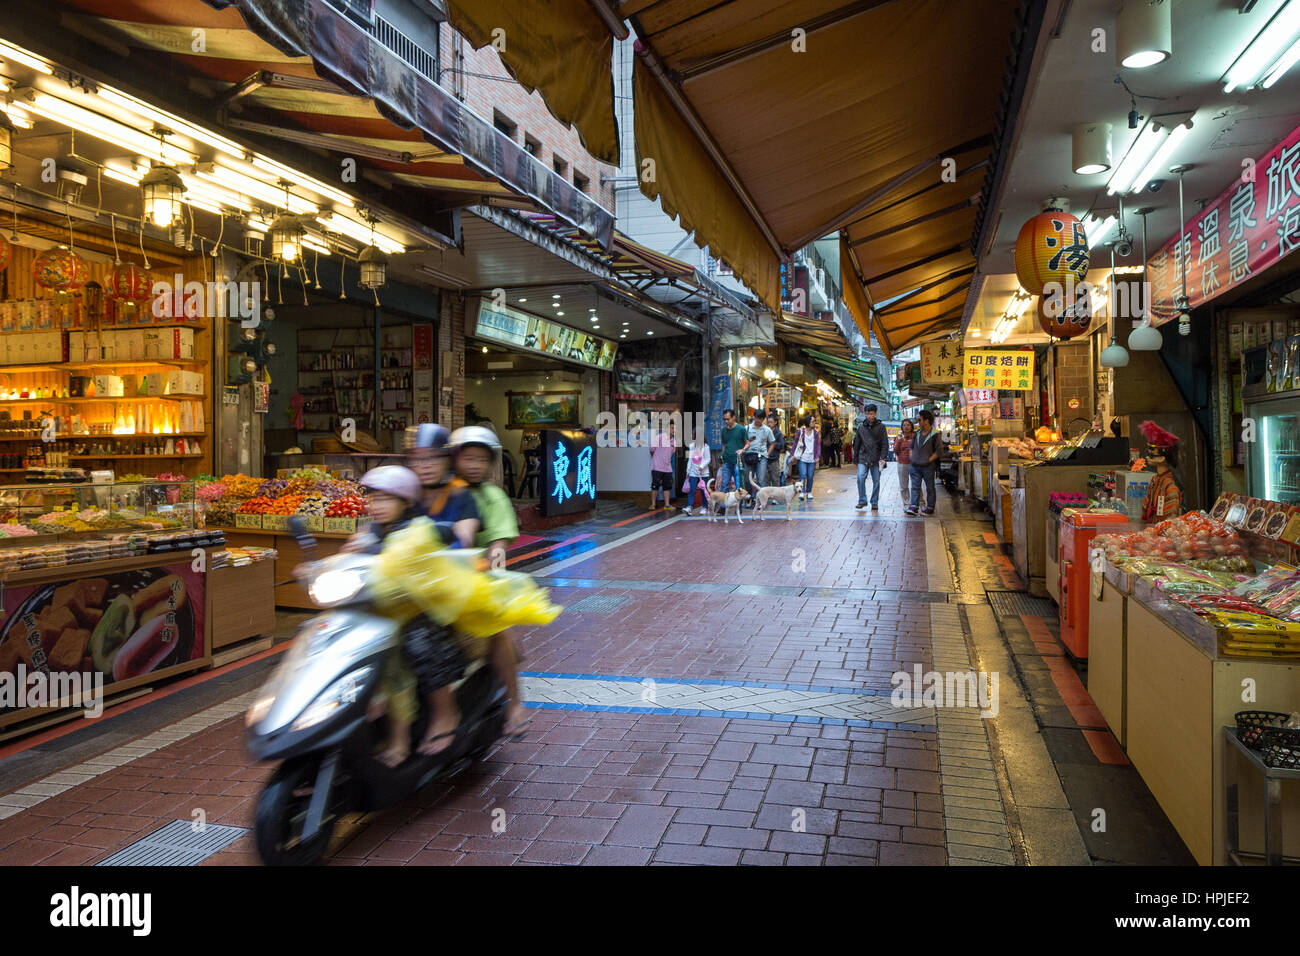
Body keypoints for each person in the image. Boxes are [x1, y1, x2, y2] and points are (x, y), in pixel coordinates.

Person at [352, 466, 465, 763]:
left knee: (415, 647)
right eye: (374, 500)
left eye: (387, 500)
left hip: (414, 613)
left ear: (405, 502)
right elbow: (347, 558)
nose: (378, 507)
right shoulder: (369, 532)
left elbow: (414, 558)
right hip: (377, 612)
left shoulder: (417, 531)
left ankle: (442, 715)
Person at [449, 426, 529, 738]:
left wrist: (491, 575)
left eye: (481, 460)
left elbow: (498, 545)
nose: (474, 465)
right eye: (468, 458)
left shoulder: (493, 497)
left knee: (496, 632)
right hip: (436, 582)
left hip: (475, 581)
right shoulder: (444, 490)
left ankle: (515, 704)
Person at [405, 423, 478, 547]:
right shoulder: (405, 497)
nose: (426, 465)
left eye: (434, 458)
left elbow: (465, 539)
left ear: (448, 461)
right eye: (418, 459)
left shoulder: (461, 495)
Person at [1139, 420, 1183, 520]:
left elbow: (1170, 520)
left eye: (1151, 450)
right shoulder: (1155, 480)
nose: (1148, 454)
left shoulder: (1170, 487)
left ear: (1162, 458)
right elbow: (1145, 510)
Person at [852, 404, 889, 512]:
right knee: (860, 478)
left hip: (876, 458)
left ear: (875, 414)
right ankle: (862, 500)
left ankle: (874, 502)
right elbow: (857, 444)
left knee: (876, 481)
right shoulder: (861, 427)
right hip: (863, 457)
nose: (869, 416)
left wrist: (883, 457)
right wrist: (855, 459)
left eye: (871, 414)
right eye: (867, 414)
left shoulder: (881, 427)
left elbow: (884, 444)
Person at [906, 409, 942, 516]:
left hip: (928, 466)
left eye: (920, 420)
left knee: (930, 487)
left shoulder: (935, 434)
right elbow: (911, 447)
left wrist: (928, 460)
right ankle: (914, 506)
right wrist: (912, 458)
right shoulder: (917, 433)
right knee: (915, 486)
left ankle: (930, 507)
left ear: (926, 421)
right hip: (915, 466)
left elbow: (939, 451)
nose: (918, 422)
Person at [741, 408, 774, 505]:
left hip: (761, 456)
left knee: (761, 480)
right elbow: (742, 441)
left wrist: (767, 454)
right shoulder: (747, 428)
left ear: (763, 419)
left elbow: (772, 442)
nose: (757, 420)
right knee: (747, 479)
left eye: (759, 418)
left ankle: (761, 501)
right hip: (749, 455)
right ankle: (749, 498)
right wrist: (749, 441)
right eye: (756, 418)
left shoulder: (767, 430)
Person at [649, 416, 677, 511]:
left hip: (667, 468)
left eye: (675, 428)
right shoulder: (659, 437)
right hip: (657, 466)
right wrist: (657, 459)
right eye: (672, 428)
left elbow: (672, 452)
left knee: (667, 487)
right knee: (655, 485)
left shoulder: (674, 441)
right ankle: (653, 504)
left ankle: (667, 505)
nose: (674, 430)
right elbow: (652, 450)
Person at [790, 415, 820, 500]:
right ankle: (802, 492)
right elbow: (795, 443)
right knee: (803, 475)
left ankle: (809, 491)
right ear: (808, 422)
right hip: (802, 457)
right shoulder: (800, 432)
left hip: (812, 458)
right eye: (813, 421)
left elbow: (818, 445)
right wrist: (792, 455)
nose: (814, 423)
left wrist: (817, 455)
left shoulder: (815, 433)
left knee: (810, 476)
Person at [683, 426, 711, 515]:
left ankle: (704, 507)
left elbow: (708, 459)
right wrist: (688, 471)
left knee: (703, 490)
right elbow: (690, 459)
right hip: (693, 473)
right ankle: (689, 507)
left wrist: (702, 466)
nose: (691, 435)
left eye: (693, 433)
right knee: (692, 490)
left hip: (703, 473)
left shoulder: (706, 447)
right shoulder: (691, 446)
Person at [718, 408, 746, 493]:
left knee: (739, 483)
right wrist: (722, 455)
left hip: (738, 460)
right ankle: (723, 504)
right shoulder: (723, 430)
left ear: (733, 417)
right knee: (725, 483)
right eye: (724, 419)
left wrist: (742, 450)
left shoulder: (741, 429)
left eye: (728, 419)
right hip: (726, 460)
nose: (726, 421)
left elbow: (748, 443)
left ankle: (739, 504)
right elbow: (724, 444)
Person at [893, 419, 915, 511]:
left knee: (916, 485)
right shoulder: (899, 437)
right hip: (902, 463)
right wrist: (899, 441)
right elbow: (895, 450)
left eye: (908, 425)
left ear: (911, 426)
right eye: (904, 425)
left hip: (914, 464)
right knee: (903, 486)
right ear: (902, 427)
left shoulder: (915, 437)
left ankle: (920, 503)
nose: (906, 427)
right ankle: (906, 504)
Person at [765, 409, 786, 487]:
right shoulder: (766, 431)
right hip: (765, 459)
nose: (769, 424)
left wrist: (773, 443)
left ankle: (776, 498)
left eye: (771, 422)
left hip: (774, 460)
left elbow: (782, 445)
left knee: (775, 481)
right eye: (768, 422)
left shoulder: (778, 433)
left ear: (775, 422)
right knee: (766, 480)